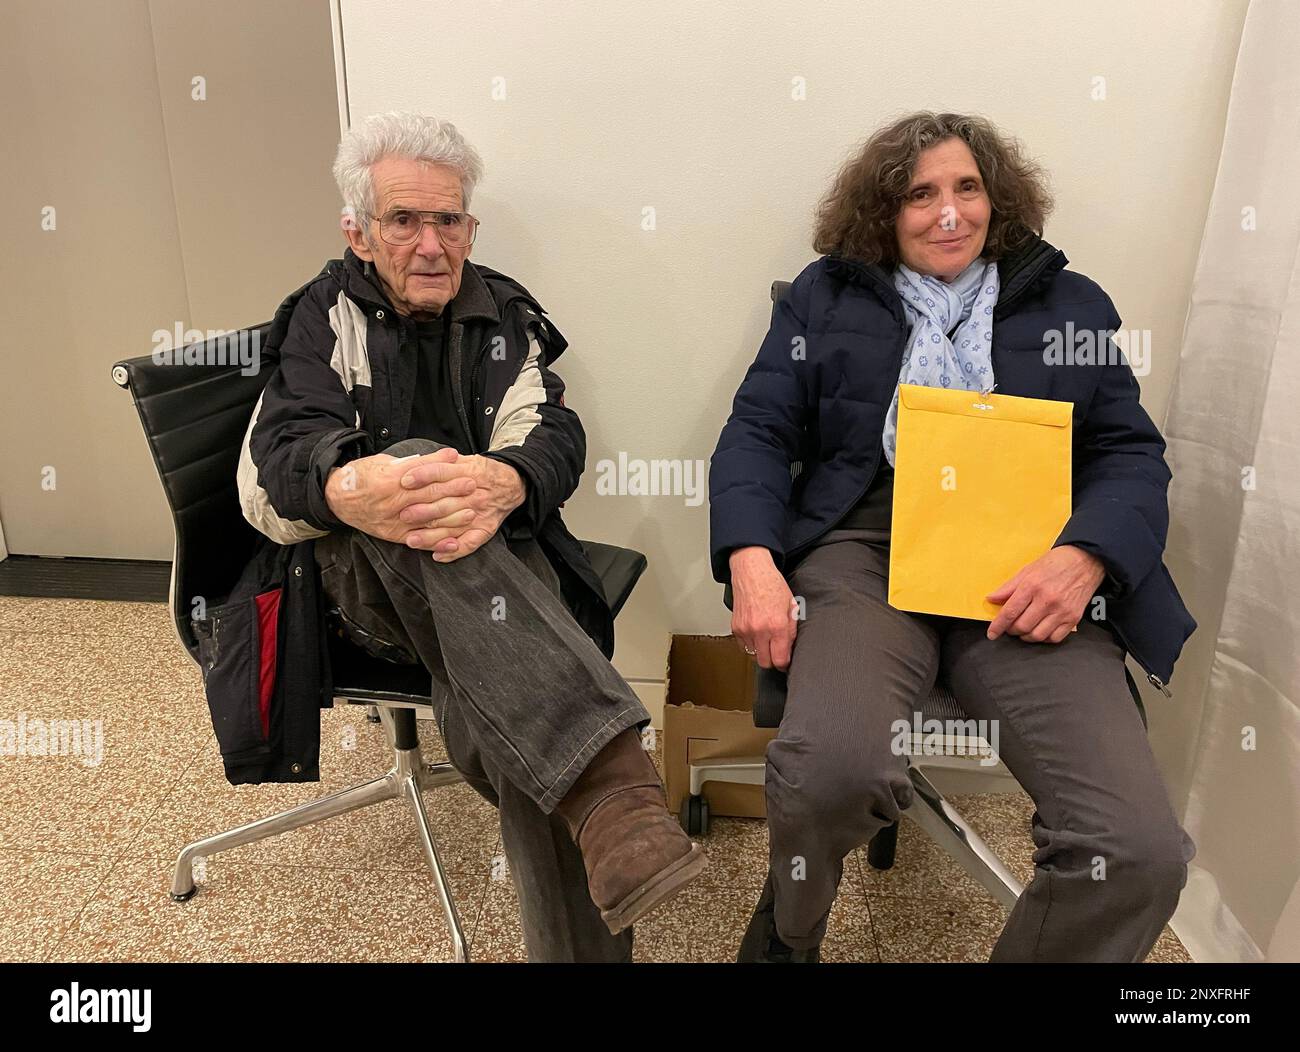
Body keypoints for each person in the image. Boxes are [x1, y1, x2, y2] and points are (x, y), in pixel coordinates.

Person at [709, 111, 1197, 963]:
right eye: (920, 193)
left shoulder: (1068, 305)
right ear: (883, 211)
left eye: (966, 188)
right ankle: (788, 934)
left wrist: (1086, 556)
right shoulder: (827, 295)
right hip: (864, 551)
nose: (948, 213)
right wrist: (750, 556)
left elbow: (1130, 454)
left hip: (1024, 565)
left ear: (996, 196)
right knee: (829, 777)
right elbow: (757, 432)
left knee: (1136, 852)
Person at [236, 111, 705, 961]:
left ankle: (598, 802)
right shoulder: (318, 319)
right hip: (364, 596)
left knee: (518, 723)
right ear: (359, 232)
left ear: (469, 227)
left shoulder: (503, 312)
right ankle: (613, 786)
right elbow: (275, 464)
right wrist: (352, 485)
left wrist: (509, 481)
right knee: (415, 464)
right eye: (402, 220)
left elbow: (554, 434)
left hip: (494, 592)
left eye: (446, 219)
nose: (429, 243)